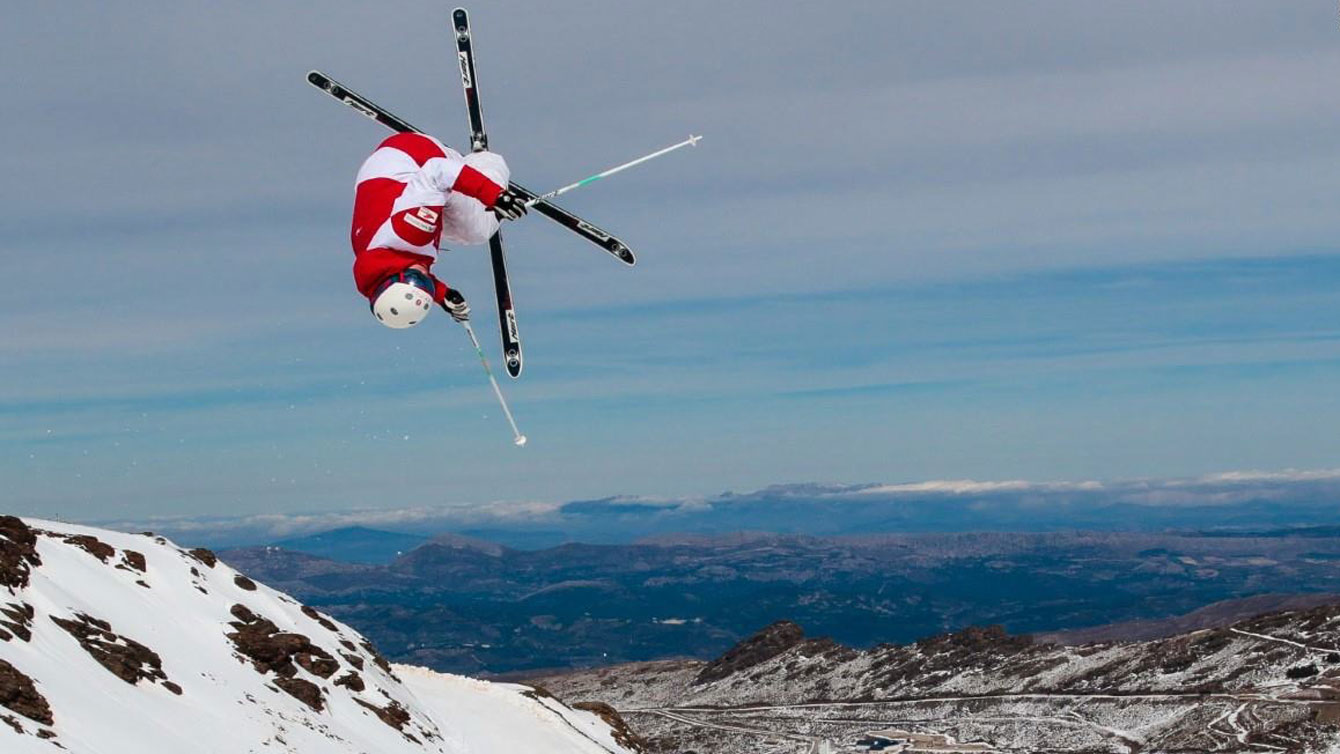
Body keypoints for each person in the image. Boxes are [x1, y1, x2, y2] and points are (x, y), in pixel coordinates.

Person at [350, 132, 529, 328]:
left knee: (475, 230)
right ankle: (470, 184)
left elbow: (437, 171)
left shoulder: (411, 232)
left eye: (418, 279)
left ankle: (483, 162)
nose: (425, 277)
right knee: (443, 224)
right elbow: (402, 271)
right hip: (389, 167)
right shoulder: (374, 268)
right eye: (426, 286)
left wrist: (495, 196)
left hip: (420, 154)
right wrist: (442, 295)